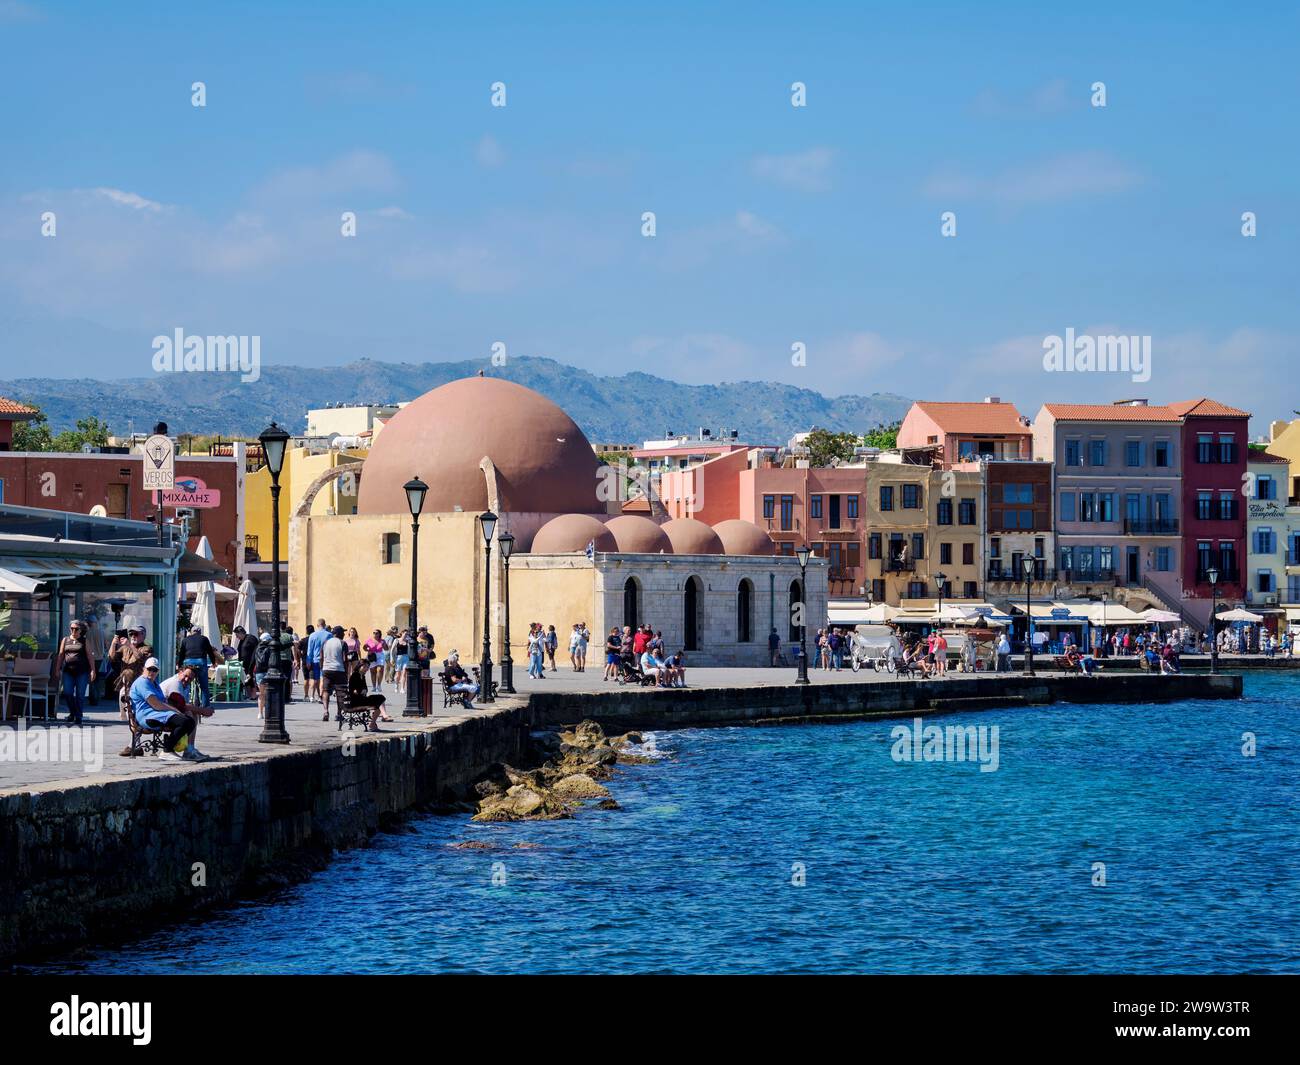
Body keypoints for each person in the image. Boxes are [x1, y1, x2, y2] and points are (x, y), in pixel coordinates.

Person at [129, 658, 197, 763]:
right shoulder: (142, 682)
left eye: (155, 670)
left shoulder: (154, 684)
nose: (152, 672)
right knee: (185, 721)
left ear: (158, 671)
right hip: (147, 716)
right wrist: (175, 710)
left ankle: (171, 747)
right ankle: (167, 750)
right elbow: (156, 704)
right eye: (149, 669)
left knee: (189, 720)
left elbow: (163, 701)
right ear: (144, 668)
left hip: (159, 714)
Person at [159, 664, 215, 760]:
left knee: (193, 713)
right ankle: (186, 749)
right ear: (180, 672)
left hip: (170, 710)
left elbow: (182, 704)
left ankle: (190, 748)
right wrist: (203, 710)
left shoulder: (184, 685)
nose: (186, 680)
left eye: (190, 679)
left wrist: (200, 711)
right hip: (161, 713)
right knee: (189, 713)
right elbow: (182, 706)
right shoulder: (175, 683)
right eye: (185, 676)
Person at [53, 618, 96, 724]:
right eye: (71, 628)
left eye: (76, 629)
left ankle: (78, 716)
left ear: (81, 630)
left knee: (80, 695)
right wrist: (57, 669)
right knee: (67, 693)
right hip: (68, 671)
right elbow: (61, 655)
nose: (73, 631)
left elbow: (90, 656)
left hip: (82, 672)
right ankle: (73, 712)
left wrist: (93, 670)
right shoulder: (65, 640)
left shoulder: (84, 641)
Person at [109, 625, 153, 721]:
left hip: (139, 683)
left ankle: (135, 723)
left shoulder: (147, 648)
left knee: (134, 707)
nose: (133, 636)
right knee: (123, 698)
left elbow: (140, 658)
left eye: (136, 634)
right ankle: (129, 722)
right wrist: (113, 643)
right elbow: (112, 658)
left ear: (143, 635)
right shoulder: (125, 648)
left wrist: (130, 645)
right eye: (131, 634)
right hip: (126, 682)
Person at [178, 625, 222, 708]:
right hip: (200, 662)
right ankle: (206, 707)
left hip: (188, 662)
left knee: (185, 684)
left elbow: (181, 653)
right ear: (200, 633)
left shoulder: (185, 640)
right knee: (204, 686)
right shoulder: (204, 639)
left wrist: (179, 664)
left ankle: (184, 703)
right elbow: (210, 652)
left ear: (191, 632)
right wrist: (213, 663)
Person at [347, 665, 391, 730]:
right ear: (359, 666)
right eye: (364, 667)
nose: (366, 669)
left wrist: (364, 690)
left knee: (380, 698)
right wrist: (360, 691)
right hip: (356, 701)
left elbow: (365, 688)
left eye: (367, 667)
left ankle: (374, 722)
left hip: (362, 698)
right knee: (379, 700)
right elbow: (354, 691)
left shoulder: (362, 676)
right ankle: (383, 716)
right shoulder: (354, 676)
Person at [320, 625, 349, 720]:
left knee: (326, 690)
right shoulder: (343, 643)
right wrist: (346, 672)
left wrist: (322, 668)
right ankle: (339, 714)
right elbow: (345, 659)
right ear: (338, 633)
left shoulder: (325, 642)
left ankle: (325, 711)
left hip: (327, 669)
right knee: (340, 692)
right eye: (342, 632)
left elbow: (321, 657)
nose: (344, 634)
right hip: (339, 669)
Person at [306, 619, 330, 704]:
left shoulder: (312, 635)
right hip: (325, 660)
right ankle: (320, 696)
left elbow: (310, 649)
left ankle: (312, 696)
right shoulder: (329, 635)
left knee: (314, 679)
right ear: (324, 624)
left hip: (315, 660)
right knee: (322, 678)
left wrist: (308, 661)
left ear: (317, 625)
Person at [392, 629, 411, 694]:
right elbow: (392, 649)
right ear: (402, 633)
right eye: (405, 634)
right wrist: (392, 658)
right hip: (398, 657)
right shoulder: (396, 640)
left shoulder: (407, 641)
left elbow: (409, 651)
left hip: (406, 657)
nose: (406, 635)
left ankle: (402, 688)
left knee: (404, 673)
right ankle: (396, 685)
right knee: (398, 674)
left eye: (407, 634)